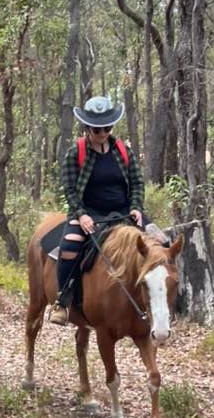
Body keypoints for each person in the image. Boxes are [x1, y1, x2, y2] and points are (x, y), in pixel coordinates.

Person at [49, 95, 165, 326]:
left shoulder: (123, 151)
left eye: (107, 127)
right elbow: (70, 189)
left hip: (124, 211)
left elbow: (137, 183)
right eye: (97, 128)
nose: (102, 133)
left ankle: (164, 301)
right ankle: (62, 301)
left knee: (164, 244)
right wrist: (81, 214)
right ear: (88, 127)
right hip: (89, 212)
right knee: (70, 246)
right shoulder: (76, 152)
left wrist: (136, 207)